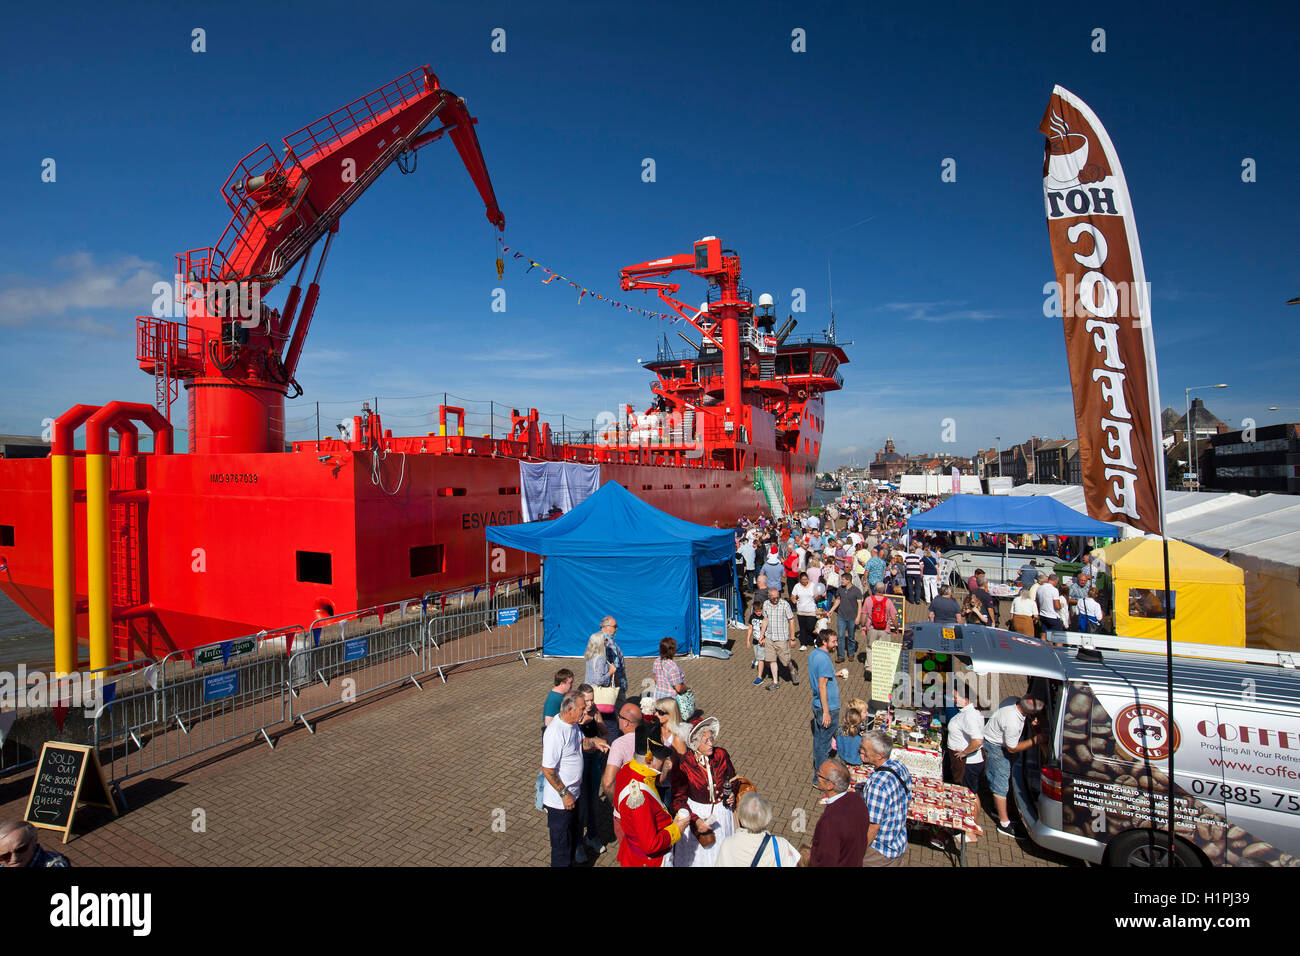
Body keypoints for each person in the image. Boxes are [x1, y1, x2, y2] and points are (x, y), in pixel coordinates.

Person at [541, 691, 609, 866]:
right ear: (569, 709)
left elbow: (580, 742)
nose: (584, 712)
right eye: (581, 709)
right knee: (561, 849)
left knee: (571, 843)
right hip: (560, 802)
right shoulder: (555, 732)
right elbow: (548, 769)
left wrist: (594, 742)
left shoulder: (572, 724)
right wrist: (565, 794)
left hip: (574, 796)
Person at [614, 724, 691, 867]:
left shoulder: (626, 769)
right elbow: (650, 844)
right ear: (650, 759)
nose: (664, 761)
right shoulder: (639, 798)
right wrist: (677, 828)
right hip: (650, 861)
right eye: (661, 757)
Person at [670, 717, 737, 867]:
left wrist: (732, 792)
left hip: (722, 813)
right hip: (696, 815)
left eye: (711, 739)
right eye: (706, 741)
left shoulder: (721, 755)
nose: (711, 744)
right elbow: (678, 800)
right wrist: (695, 820)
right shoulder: (684, 763)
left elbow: (733, 779)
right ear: (695, 743)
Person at [982, 696, 1047, 837]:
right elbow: (1012, 748)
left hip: (997, 740)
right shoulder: (1013, 722)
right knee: (1001, 785)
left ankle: (998, 807)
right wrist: (1036, 740)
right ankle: (1004, 823)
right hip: (996, 748)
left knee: (1002, 779)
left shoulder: (1012, 700)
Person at [860, 729, 912, 866]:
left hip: (879, 851)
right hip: (898, 841)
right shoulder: (900, 766)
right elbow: (908, 798)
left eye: (865, 749)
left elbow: (873, 827)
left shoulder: (877, 785)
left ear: (880, 755)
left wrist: (857, 852)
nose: (861, 751)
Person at [810, 759, 871, 866]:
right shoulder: (858, 800)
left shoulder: (830, 821)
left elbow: (826, 860)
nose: (817, 776)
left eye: (819, 775)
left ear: (830, 785)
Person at [716, 791, 801, 867]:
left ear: (741, 815)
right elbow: (799, 862)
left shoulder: (727, 844)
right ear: (767, 817)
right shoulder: (781, 844)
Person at [601, 702, 645, 846]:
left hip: (627, 809)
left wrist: (617, 804)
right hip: (648, 805)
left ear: (626, 722)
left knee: (630, 852)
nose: (617, 719)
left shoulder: (619, 744)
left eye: (619, 716)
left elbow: (608, 783)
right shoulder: (650, 738)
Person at [809, 630, 841, 776]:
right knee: (824, 744)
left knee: (819, 739)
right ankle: (820, 776)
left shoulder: (814, 654)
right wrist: (827, 712)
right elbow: (822, 686)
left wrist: (834, 674)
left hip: (817, 704)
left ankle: (818, 768)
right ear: (824, 642)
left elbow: (820, 675)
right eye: (833, 641)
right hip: (828, 707)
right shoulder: (825, 660)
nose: (837, 644)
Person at [946, 682, 985, 795]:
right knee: (971, 794)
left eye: (955, 697)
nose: (953, 699)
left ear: (966, 700)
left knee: (969, 796)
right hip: (968, 762)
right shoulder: (970, 712)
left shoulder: (969, 716)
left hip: (968, 764)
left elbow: (977, 740)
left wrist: (964, 753)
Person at [760, 586, 799, 688]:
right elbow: (765, 620)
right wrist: (762, 635)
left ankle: (792, 670)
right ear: (769, 597)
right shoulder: (766, 604)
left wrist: (792, 638)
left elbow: (791, 620)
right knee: (771, 660)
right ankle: (775, 682)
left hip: (782, 638)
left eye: (777, 597)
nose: (776, 600)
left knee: (785, 662)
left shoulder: (785, 604)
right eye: (773, 598)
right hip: (769, 637)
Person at [0, 820, 69, 867]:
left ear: (34, 840)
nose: (14, 858)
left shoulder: (54, 864)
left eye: (21, 849)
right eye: (5, 856)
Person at [828, 575, 863, 664]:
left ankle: (851, 653)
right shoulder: (840, 589)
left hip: (852, 617)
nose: (841, 581)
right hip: (841, 616)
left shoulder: (856, 591)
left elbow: (859, 605)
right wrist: (831, 610)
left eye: (843, 580)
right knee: (840, 636)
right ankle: (841, 656)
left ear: (848, 581)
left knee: (851, 636)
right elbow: (838, 600)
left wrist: (858, 617)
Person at [652, 637, 690, 715]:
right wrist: (687, 687)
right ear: (673, 650)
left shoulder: (657, 661)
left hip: (658, 699)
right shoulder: (673, 666)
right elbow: (678, 688)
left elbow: (656, 679)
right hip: (670, 703)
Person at [864, 582, 898, 650]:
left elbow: (864, 614)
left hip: (871, 628)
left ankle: (870, 660)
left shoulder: (868, 599)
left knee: (870, 649)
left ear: (874, 589)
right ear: (884, 590)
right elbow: (894, 618)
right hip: (885, 629)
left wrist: (863, 625)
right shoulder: (888, 601)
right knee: (883, 651)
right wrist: (896, 628)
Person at [584, 631, 616, 702]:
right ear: (600, 643)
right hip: (597, 694)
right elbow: (599, 680)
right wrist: (610, 672)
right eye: (605, 640)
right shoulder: (601, 659)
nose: (607, 642)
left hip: (587, 690)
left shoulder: (589, 656)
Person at [791, 571, 818, 649]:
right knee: (802, 628)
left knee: (811, 627)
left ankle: (814, 639)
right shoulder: (797, 586)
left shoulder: (813, 585)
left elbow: (817, 596)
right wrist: (794, 600)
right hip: (801, 610)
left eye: (806, 579)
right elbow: (793, 596)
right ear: (800, 580)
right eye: (803, 580)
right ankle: (803, 644)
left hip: (811, 610)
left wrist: (817, 597)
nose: (804, 581)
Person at [747, 600, 769, 683]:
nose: (759, 613)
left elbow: (769, 630)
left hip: (763, 641)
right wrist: (748, 640)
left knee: (760, 658)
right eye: (757, 611)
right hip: (755, 641)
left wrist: (764, 639)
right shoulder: (752, 617)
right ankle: (771, 667)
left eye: (760, 611)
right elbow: (750, 628)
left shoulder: (765, 618)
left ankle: (759, 677)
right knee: (761, 658)